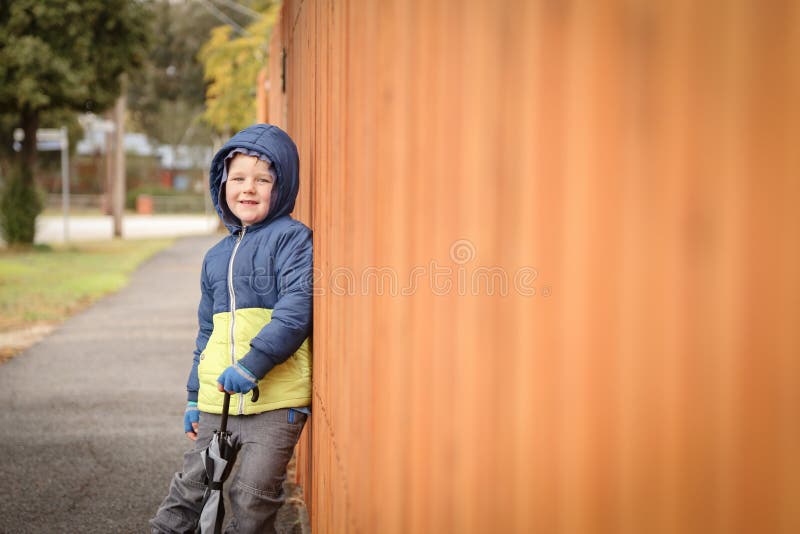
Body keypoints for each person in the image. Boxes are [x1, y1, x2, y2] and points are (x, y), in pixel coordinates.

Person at [150, 124, 312, 534]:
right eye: (237, 178)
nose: (248, 189)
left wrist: (252, 364)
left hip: (275, 405)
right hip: (216, 403)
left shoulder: (292, 240)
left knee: (253, 496)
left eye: (263, 179)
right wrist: (192, 396)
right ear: (222, 185)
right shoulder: (214, 257)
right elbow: (206, 333)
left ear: (283, 185)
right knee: (189, 490)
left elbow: (296, 312)